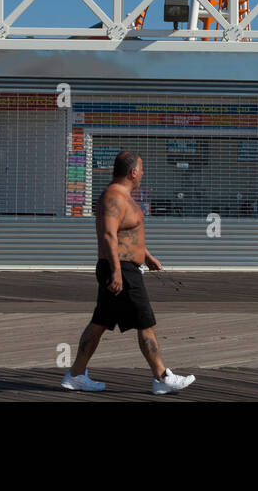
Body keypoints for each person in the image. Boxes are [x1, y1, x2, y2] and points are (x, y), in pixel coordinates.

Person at [62, 150, 196, 394]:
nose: (143, 173)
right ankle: (162, 378)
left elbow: (127, 236)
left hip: (124, 267)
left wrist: (146, 256)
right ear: (133, 172)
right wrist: (116, 272)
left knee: (100, 322)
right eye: (141, 169)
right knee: (146, 322)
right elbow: (109, 235)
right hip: (120, 269)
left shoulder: (123, 196)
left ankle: (76, 375)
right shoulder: (113, 196)